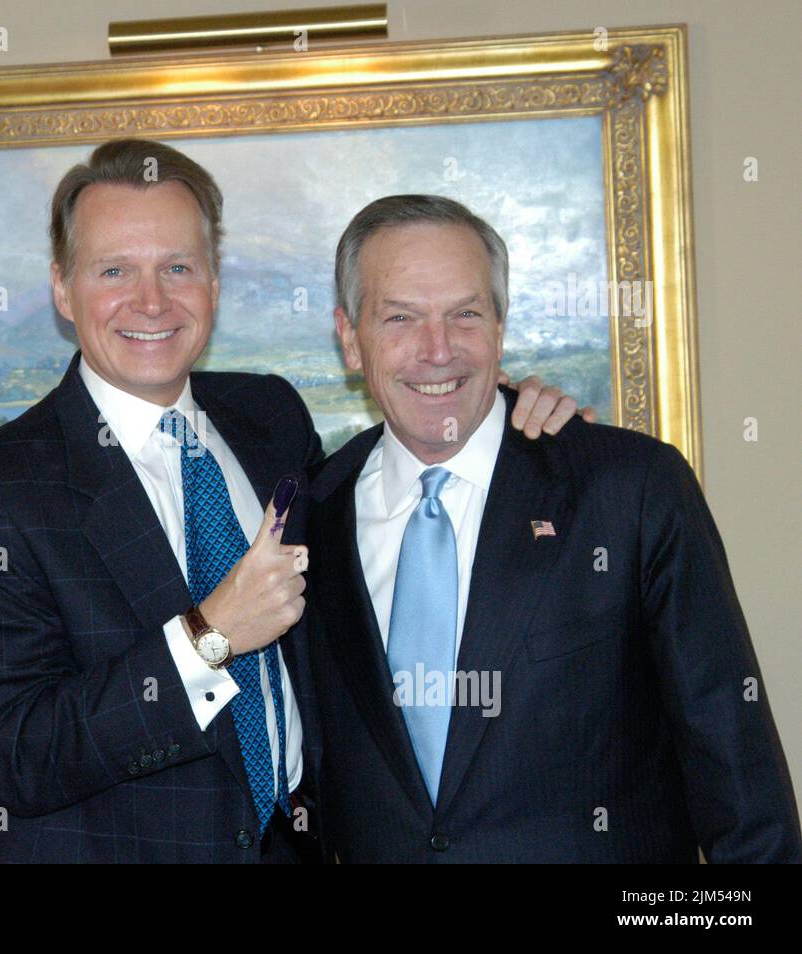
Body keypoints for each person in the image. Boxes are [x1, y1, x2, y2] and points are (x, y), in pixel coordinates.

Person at [0, 139, 582, 863]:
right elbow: (21, 758)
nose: (151, 301)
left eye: (177, 267)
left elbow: (361, 576)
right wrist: (211, 635)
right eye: (114, 270)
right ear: (63, 290)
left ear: (213, 282)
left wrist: (499, 409)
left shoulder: (271, 418)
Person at [305, 193, 801, 862]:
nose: (438, 349)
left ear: (501, 327)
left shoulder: (627, 488)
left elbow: (741, 784)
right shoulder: (313, 514)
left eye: (466, 314)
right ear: (348, 338)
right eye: (400, 317)